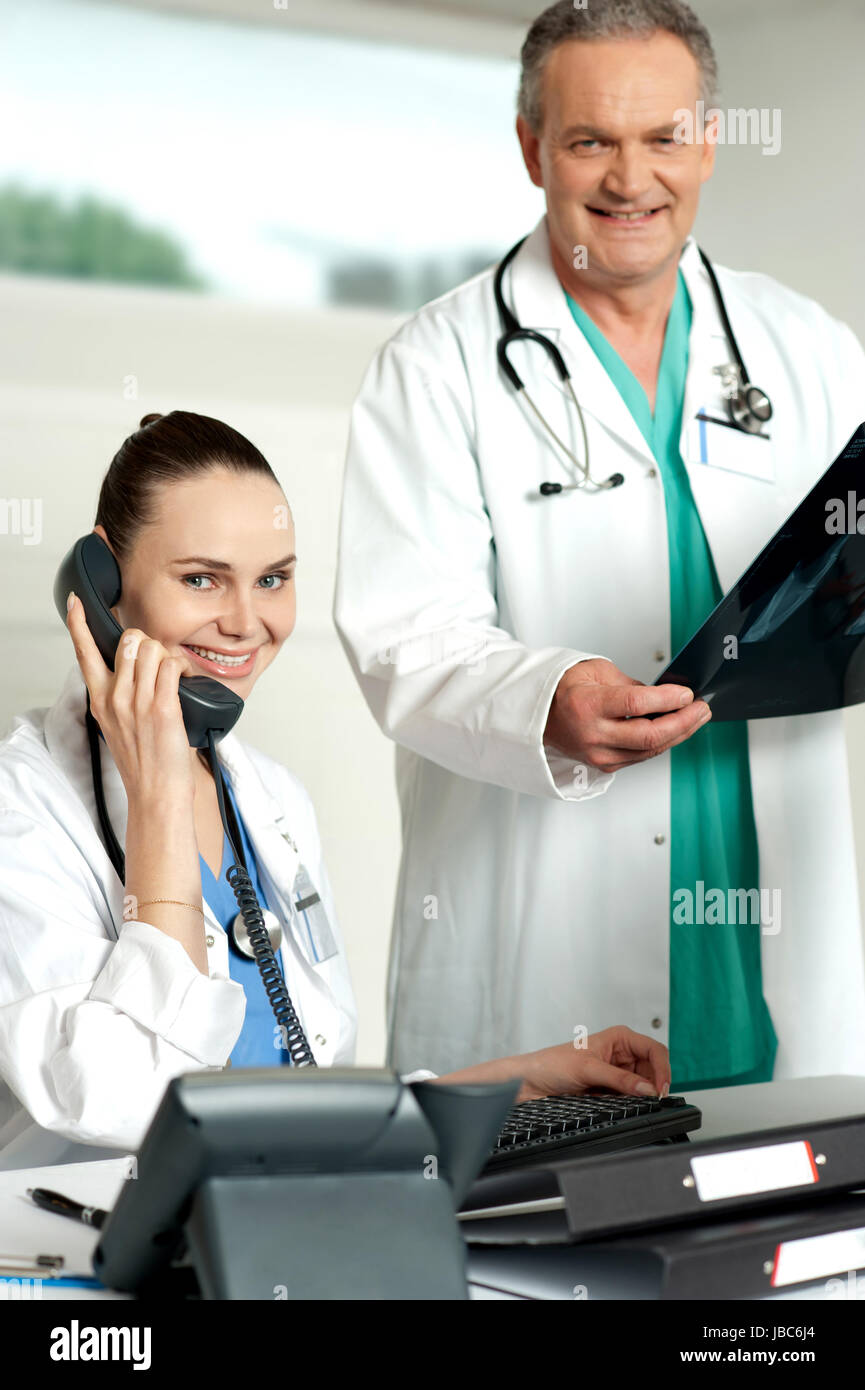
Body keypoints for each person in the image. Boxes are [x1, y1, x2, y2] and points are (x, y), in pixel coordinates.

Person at [333, 0, 865, 1083]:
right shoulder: (437, 365)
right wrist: (548, 696)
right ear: (532, 148)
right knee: (540, 1247)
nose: (632, 180)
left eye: (663, 136)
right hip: (542, 962)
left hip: (764, 939)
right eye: (590, 141)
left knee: (790, 1234)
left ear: (707, 141)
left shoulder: (805, 349)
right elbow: (402, 639)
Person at [0, 410, 668, 1170]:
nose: (247, 623)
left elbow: (296, 1093)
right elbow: (130, 1097)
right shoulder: (21, 809)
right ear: (100, 581)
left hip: (275, 1231)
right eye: (200, 579)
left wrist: (512, 1082)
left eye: (273, 579)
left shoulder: (271, 799)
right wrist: (157, 805)